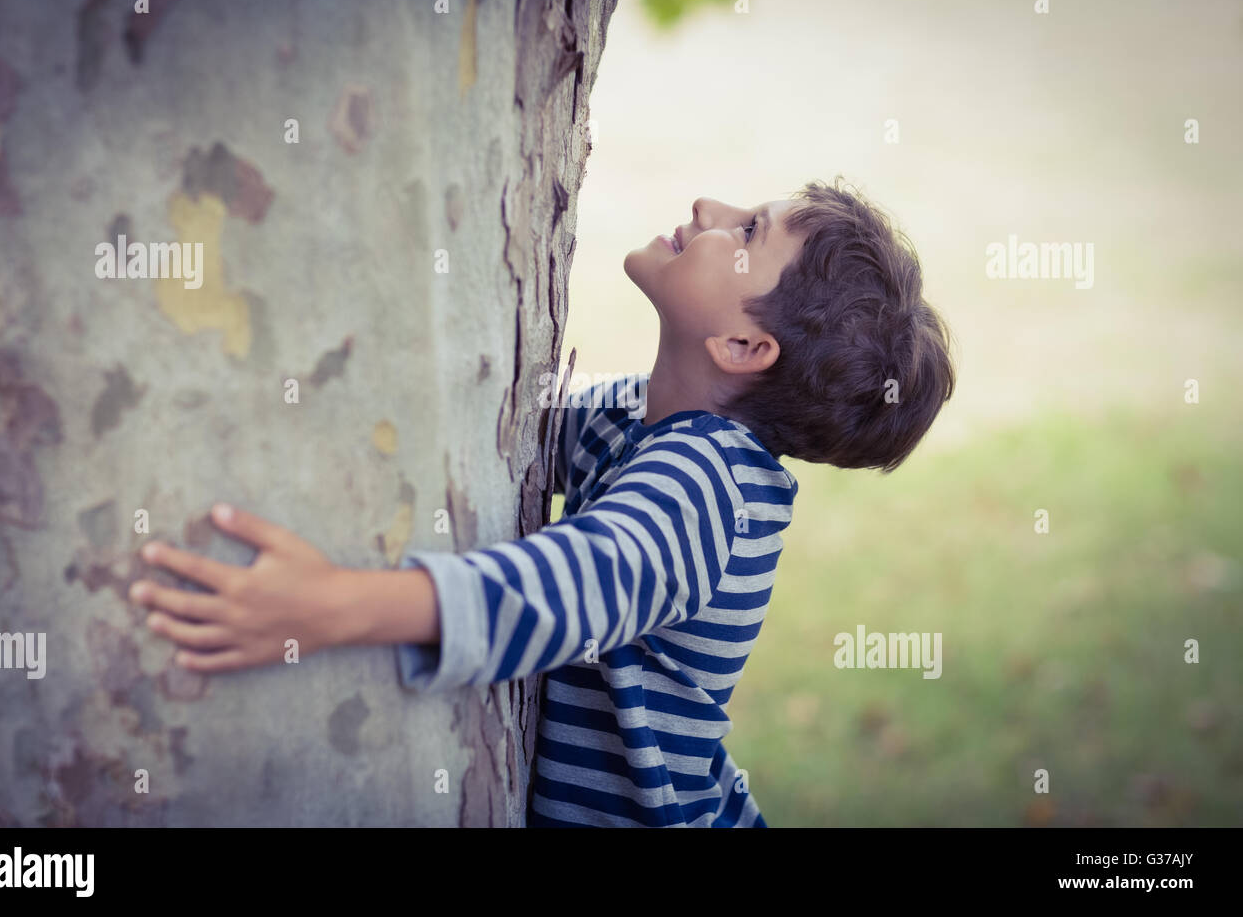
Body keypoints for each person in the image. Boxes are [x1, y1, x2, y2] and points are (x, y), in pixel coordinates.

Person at [130, 178, 957, 826]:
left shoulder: (711, 486)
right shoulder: (646, 419)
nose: (709, 206)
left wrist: (332, 606)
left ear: (744, 346)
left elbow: (568, 589)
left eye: (746, 232)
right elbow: (511, 429)